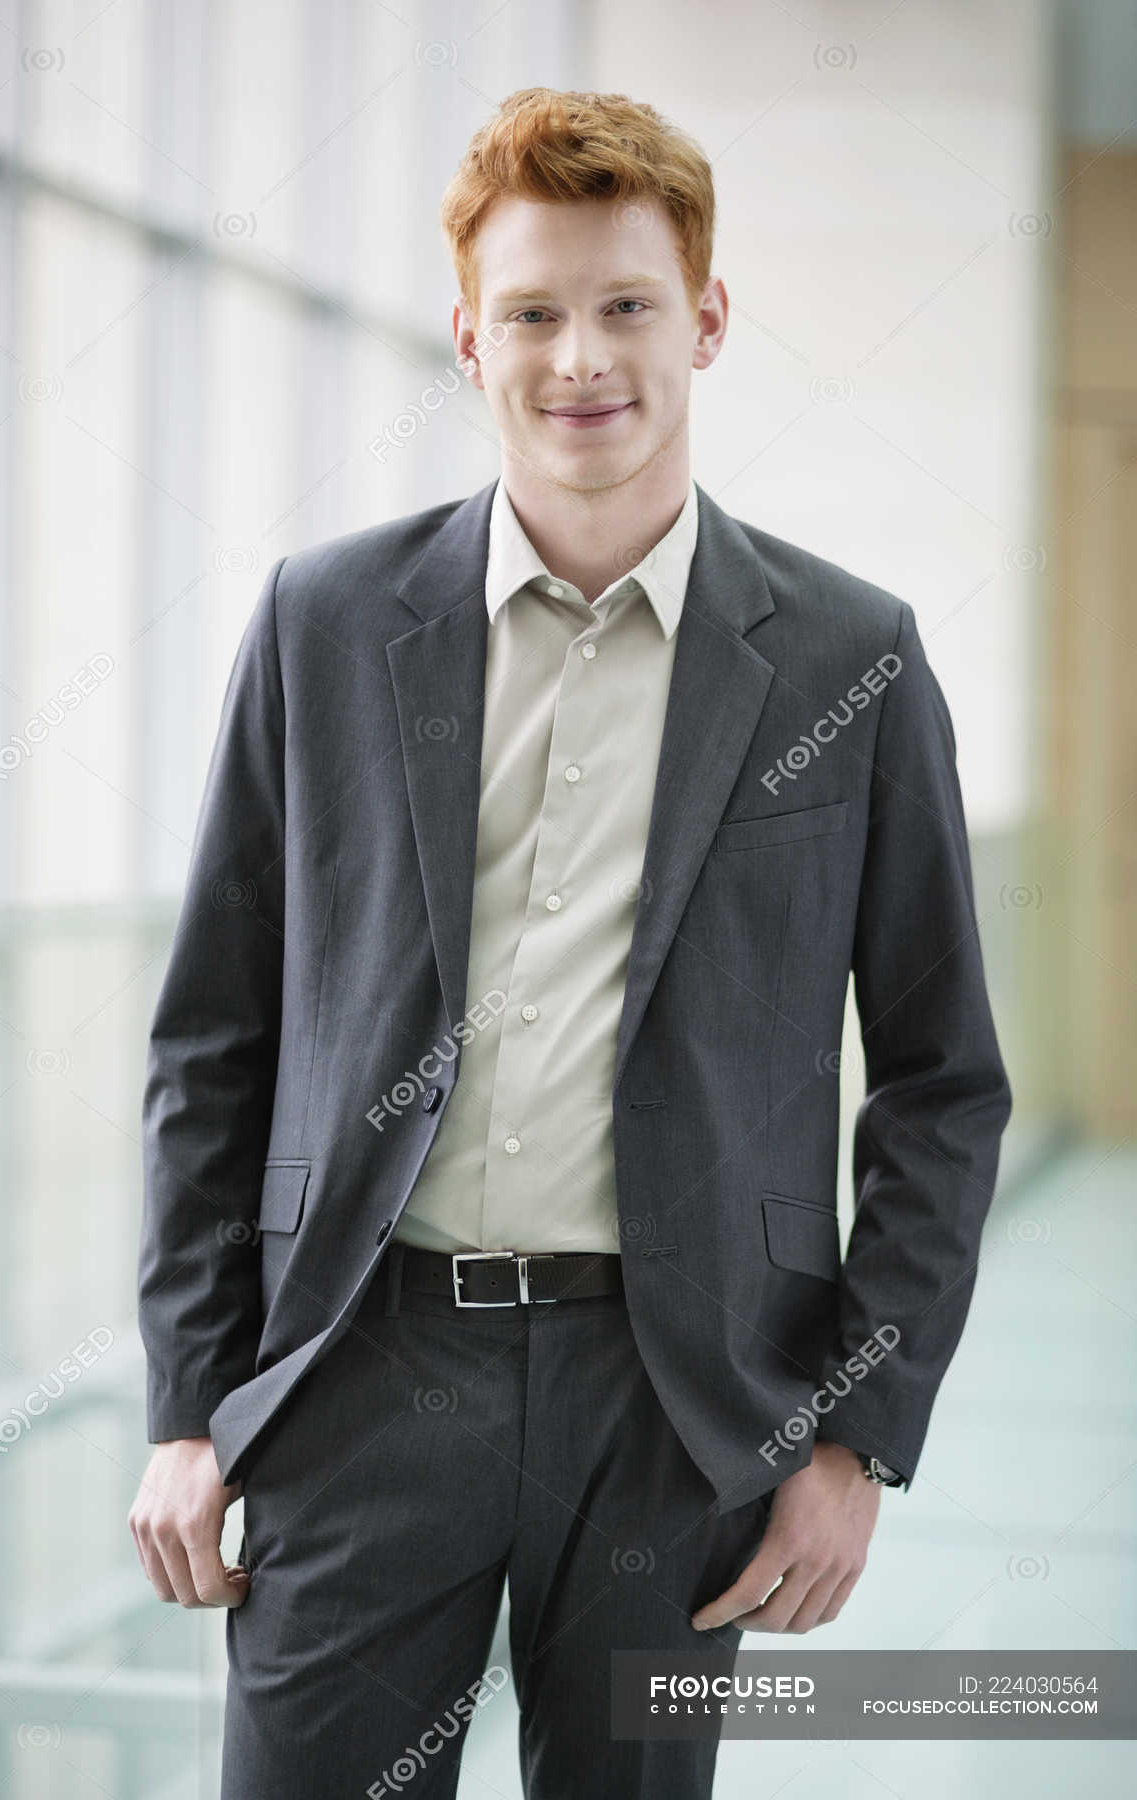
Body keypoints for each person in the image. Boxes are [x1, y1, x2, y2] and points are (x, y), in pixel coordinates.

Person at [128, 86, 1011, 1799]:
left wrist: (854, 1442)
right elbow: (211, 1042)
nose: (579, 358)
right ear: (470, 336)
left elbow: (942, 1083)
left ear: (708, 321)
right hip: (361, 1377)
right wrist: (188, 1402)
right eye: (532, 312)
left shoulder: (850, 659)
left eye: (626, 306)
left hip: (675, 1408)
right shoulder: (324, 624)